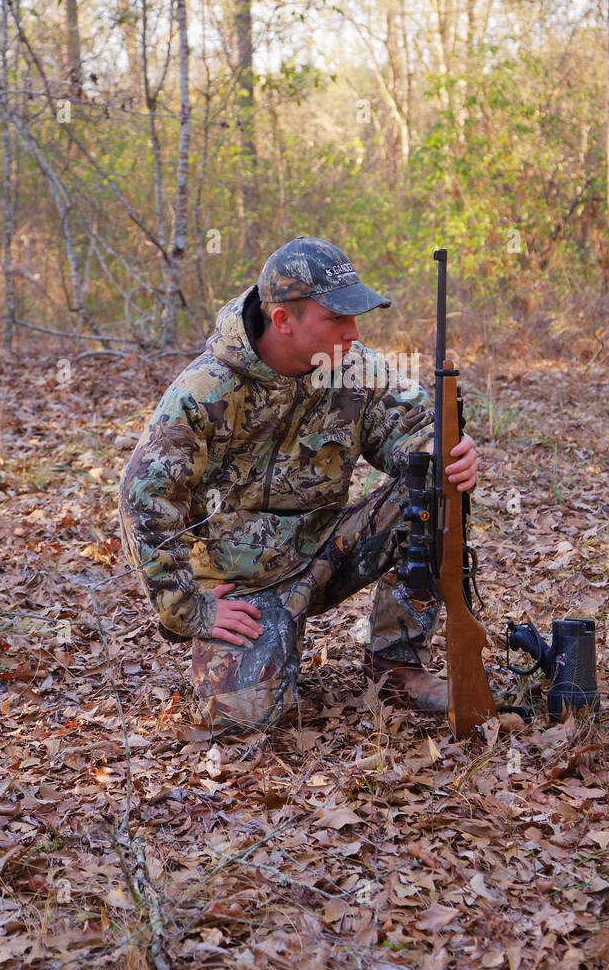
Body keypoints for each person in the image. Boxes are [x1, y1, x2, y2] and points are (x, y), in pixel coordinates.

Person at [118, 236, 478, 737]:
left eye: (355, 317)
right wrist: (188, 608)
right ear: (283, 320)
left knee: (434, 488)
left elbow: (413, 428)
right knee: (242, 718)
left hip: (331, 548)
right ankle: (275, 639)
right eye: (336, 319)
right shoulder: (203, 392)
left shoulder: (356, 369)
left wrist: (446, 451)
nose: (354, 332)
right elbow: (144, 496)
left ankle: (400, 664)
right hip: (248, 583)